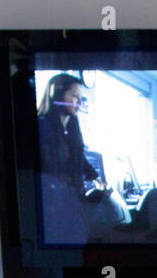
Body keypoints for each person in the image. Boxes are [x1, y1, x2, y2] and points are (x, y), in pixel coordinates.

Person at [36, 73, 128, 240]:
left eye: (81, 97)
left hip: (73, 202)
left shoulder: (72, 127)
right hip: (53, 208)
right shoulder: (42, 126)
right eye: (74, 95)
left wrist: (97, 179)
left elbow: (79, 158)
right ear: (55, 94)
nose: (79, 101)